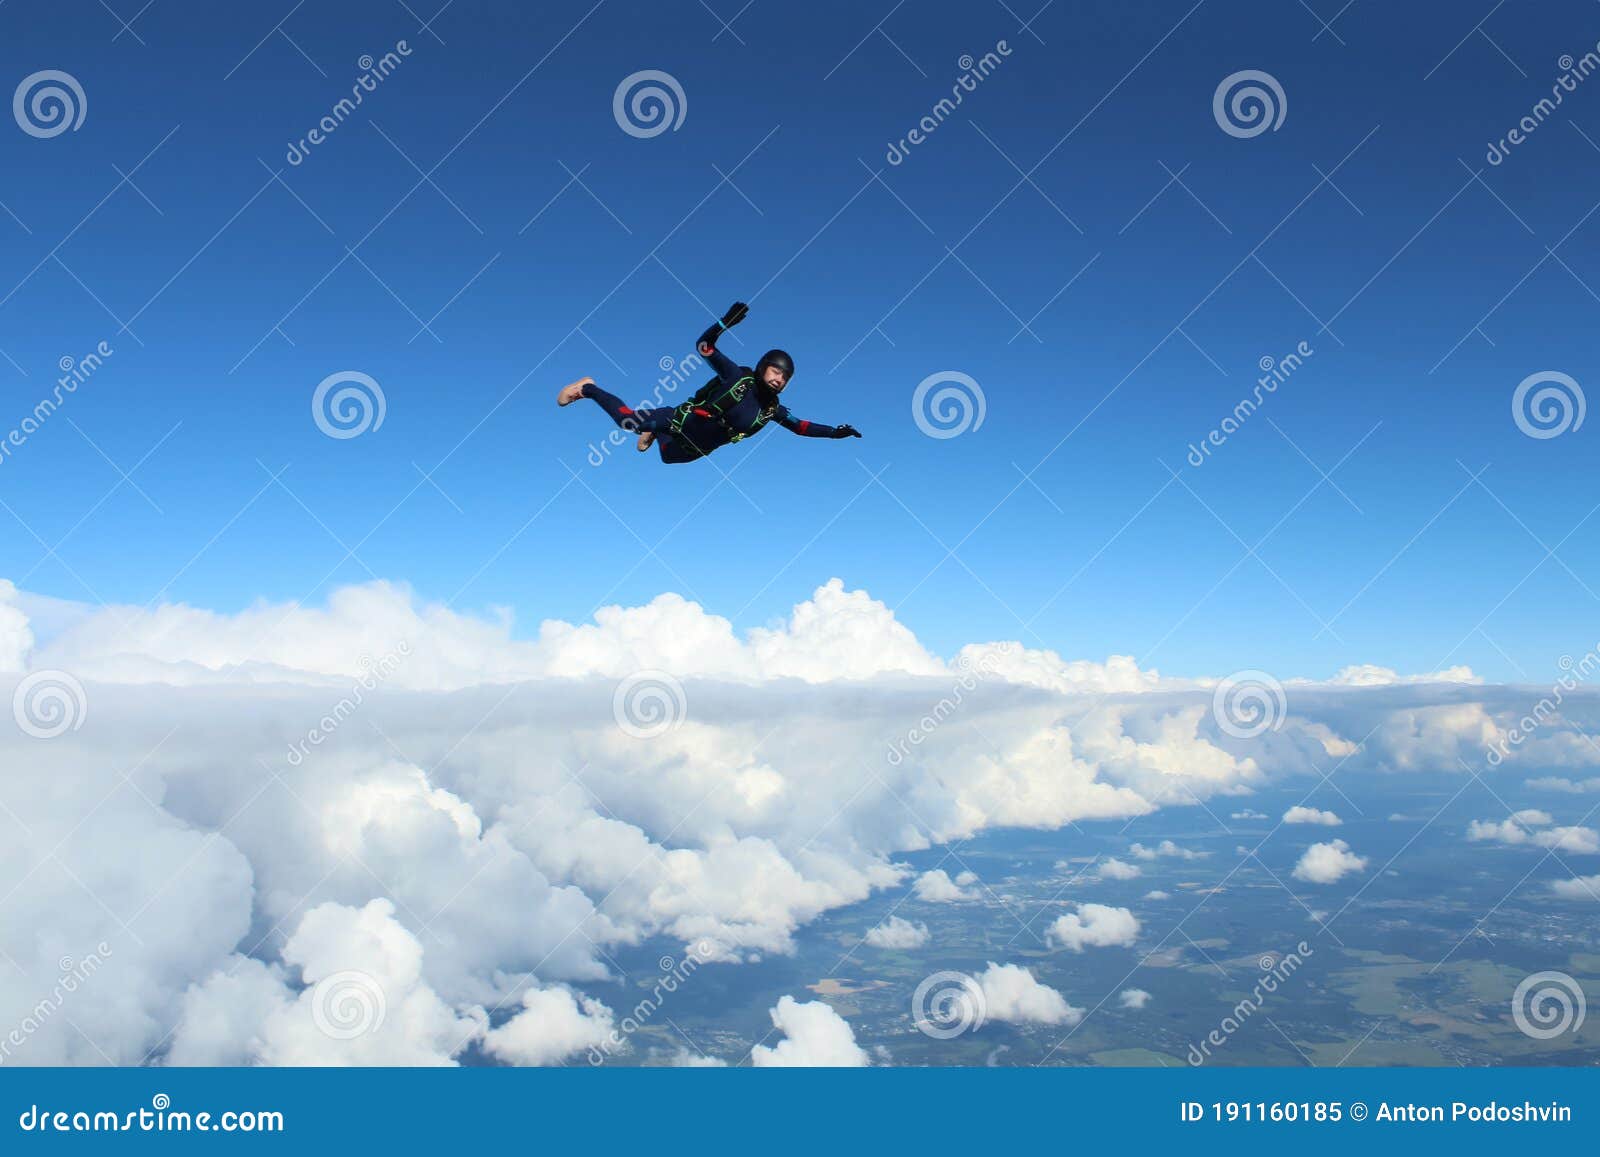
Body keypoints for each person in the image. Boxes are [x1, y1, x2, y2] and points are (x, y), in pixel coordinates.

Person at [557, 302, 862, 463]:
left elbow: (801, 426)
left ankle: (655, 436)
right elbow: (704, 346)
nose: (779, 379)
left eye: (784, 378)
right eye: (775, 371)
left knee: (666, 458)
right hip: (679, 420)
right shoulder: (736, 376)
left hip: (698, 447)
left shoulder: (773, 410)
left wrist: (836, 433)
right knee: (627, 423)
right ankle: (587, 388)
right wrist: (723, 323)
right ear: (762, 368)